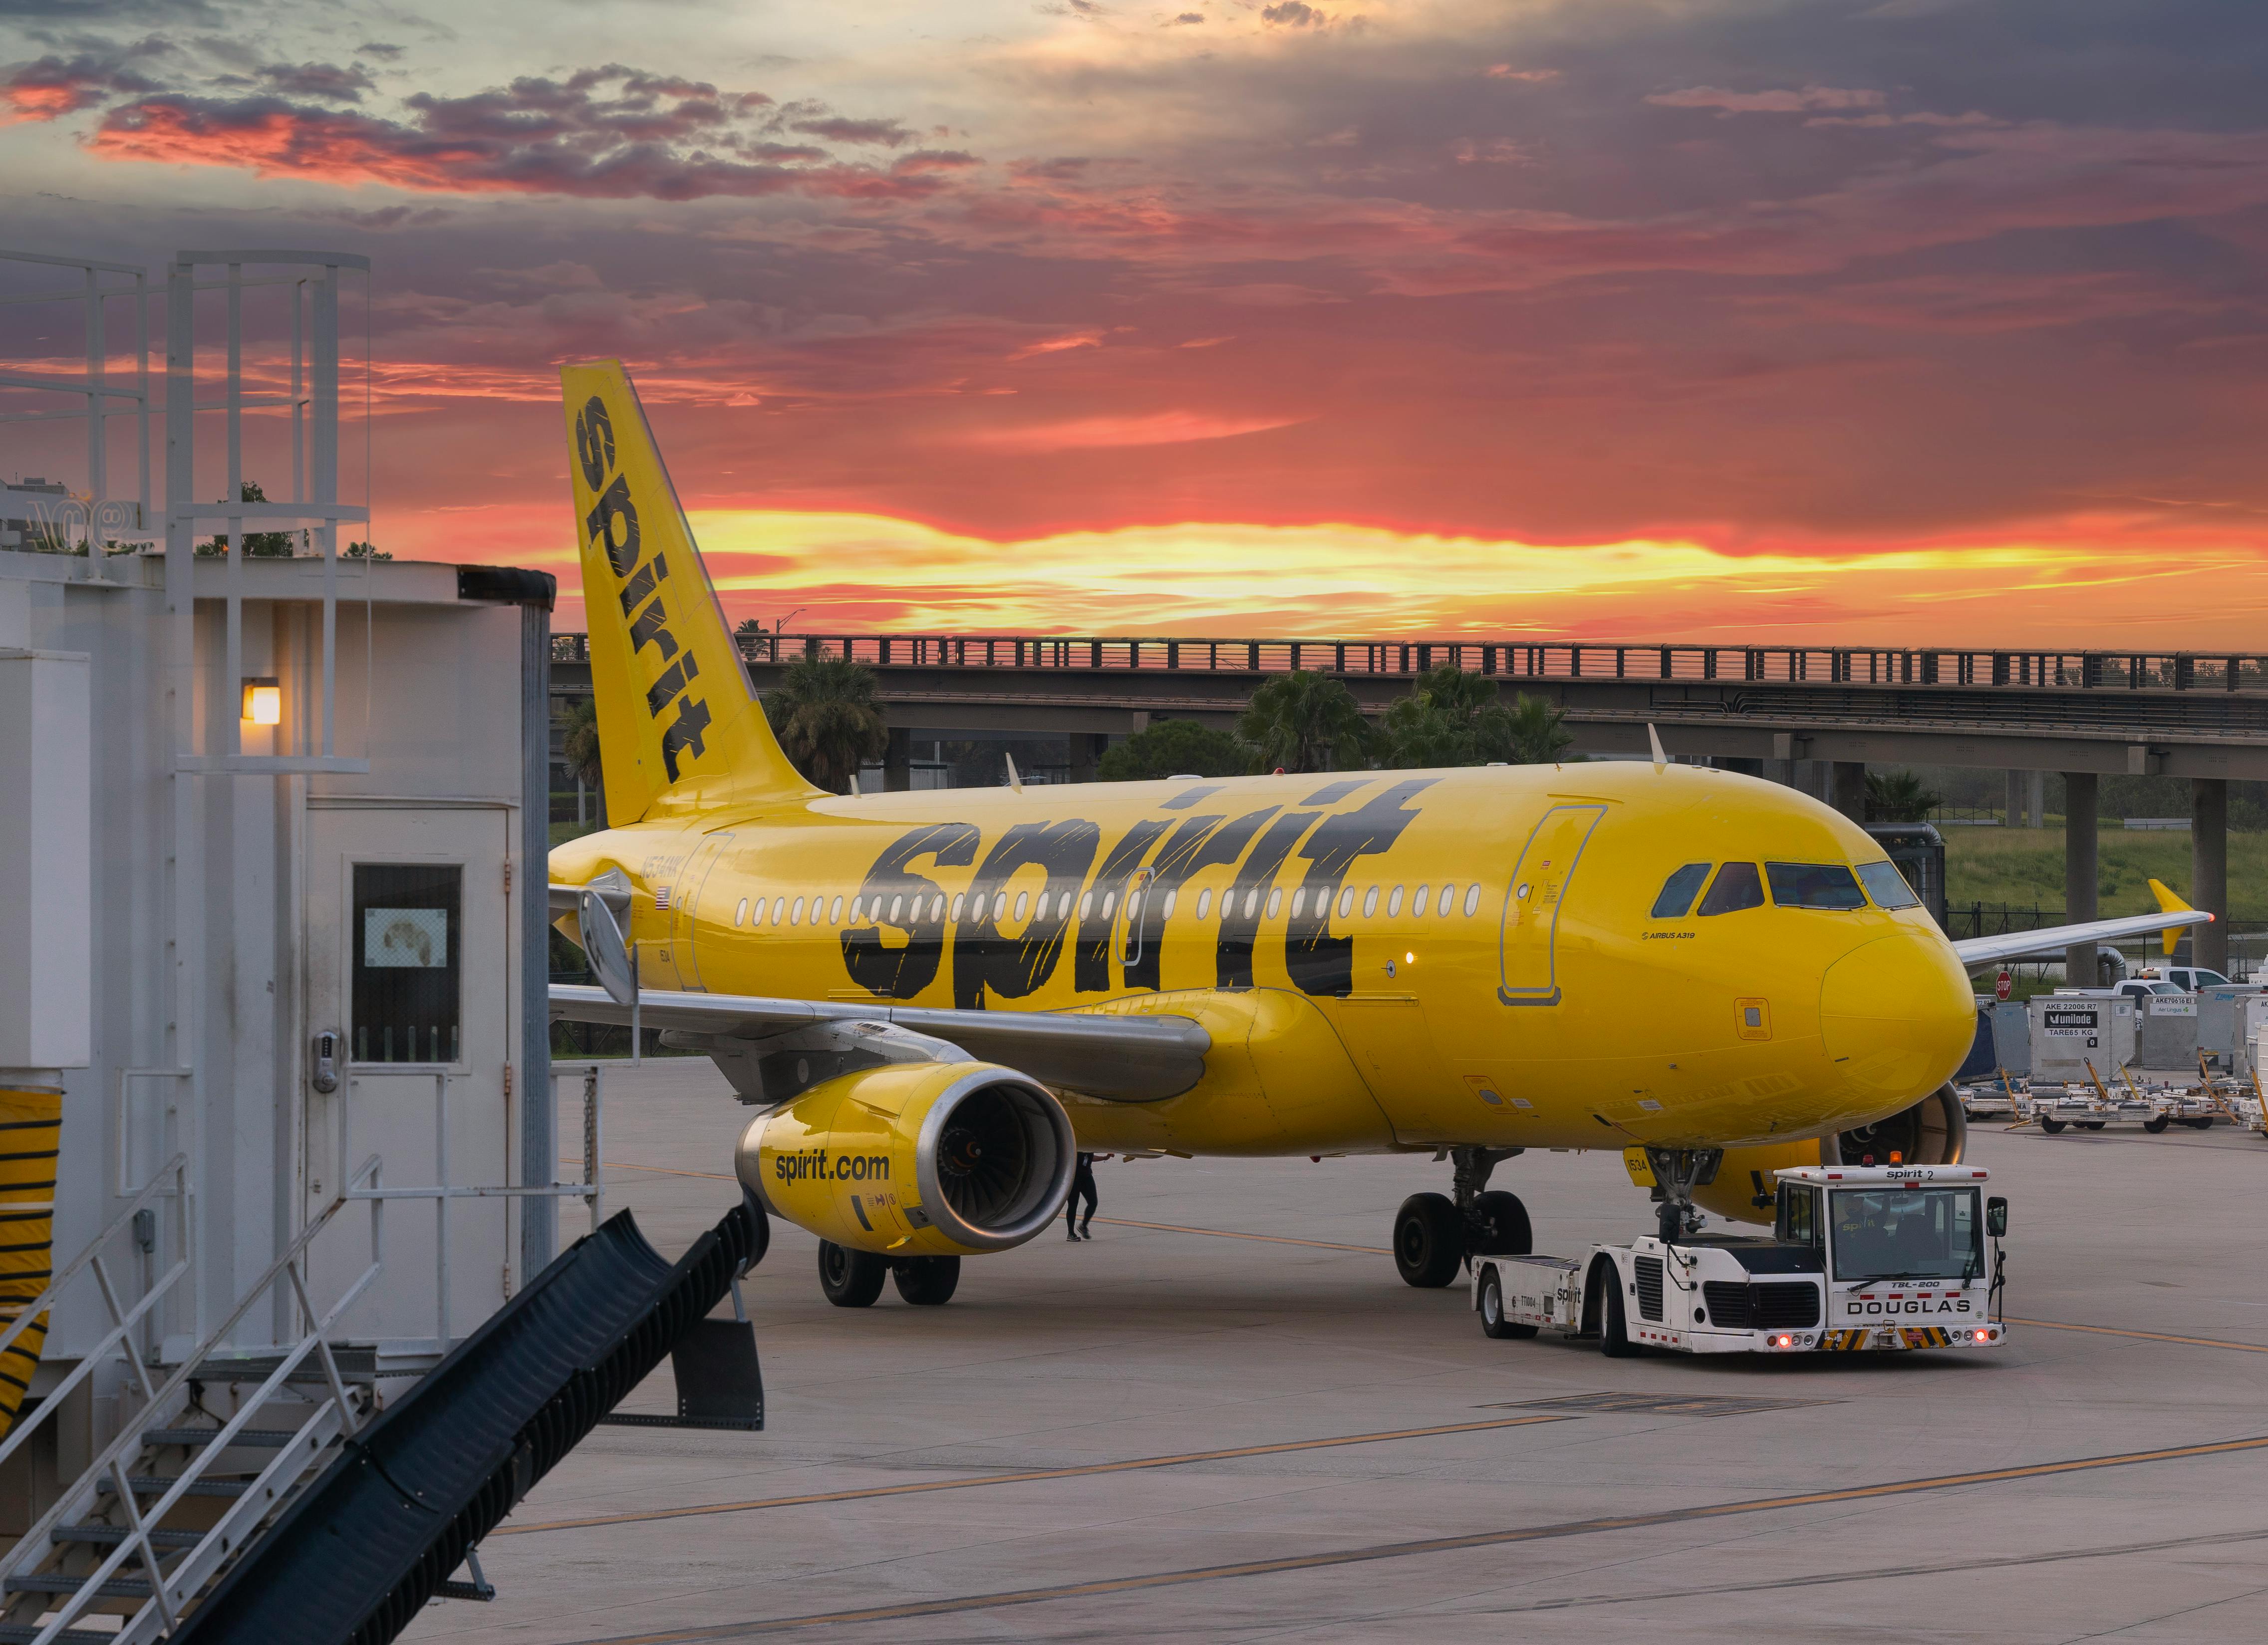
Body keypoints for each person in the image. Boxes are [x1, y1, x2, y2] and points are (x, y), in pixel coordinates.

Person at [1065, 1151, 1099, 1240]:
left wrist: (1104, 1158)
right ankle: (1071, 1233)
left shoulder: (1090, 1146)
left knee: (1093, 1203)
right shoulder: (1077, 1144)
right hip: (1074, 1178)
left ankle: (1084, 1226)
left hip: (1087, 1177)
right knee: (1073, 1205)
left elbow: (1090, 1158)